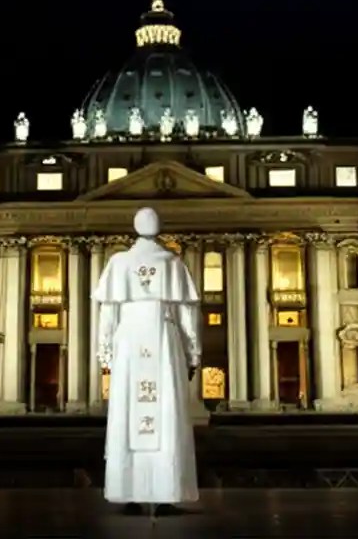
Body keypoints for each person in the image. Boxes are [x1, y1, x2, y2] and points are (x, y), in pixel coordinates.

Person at [93, 207, 202, 516]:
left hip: (128, 341)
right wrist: (192, 352)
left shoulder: (119, 263)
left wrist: (106, 352)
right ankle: (167, 493)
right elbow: (187, 315)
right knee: (167, 414)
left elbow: (108, 313)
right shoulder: (173, 263)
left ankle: (127, 491)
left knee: (128, 411)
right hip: (164, 340)